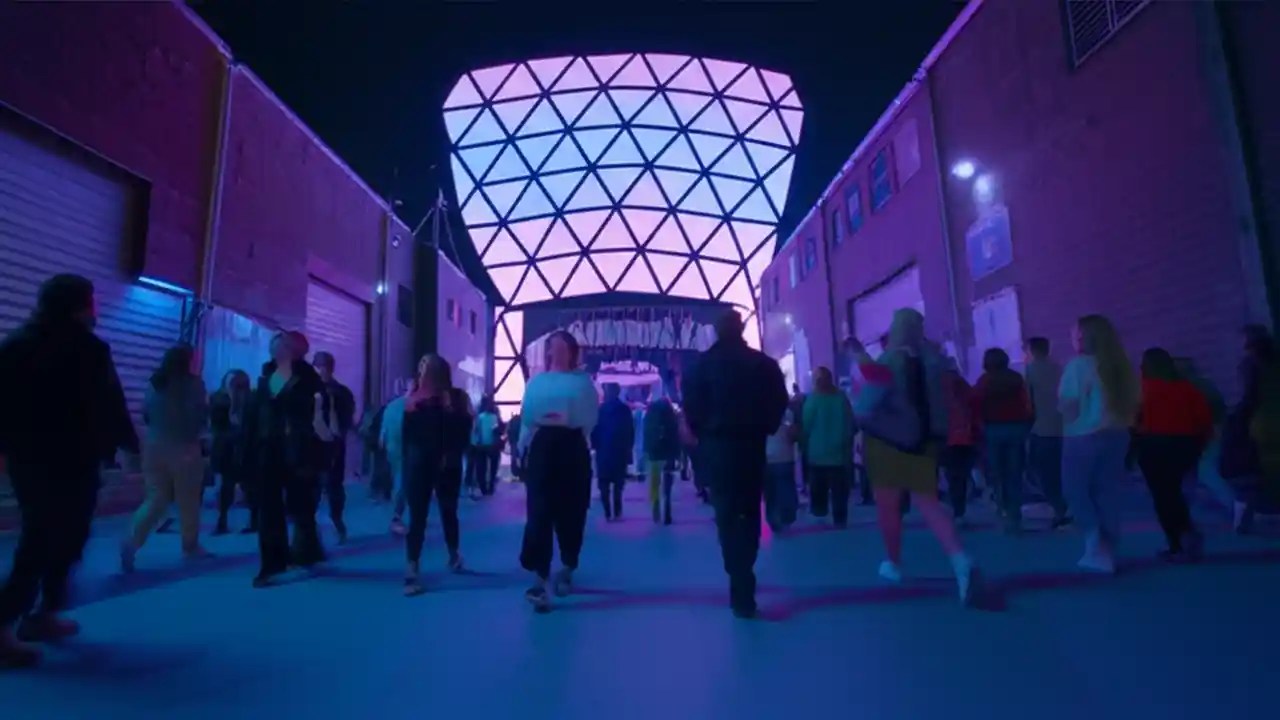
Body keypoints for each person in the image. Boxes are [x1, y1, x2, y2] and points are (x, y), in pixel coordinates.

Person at [0, 274, 139, 667]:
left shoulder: (16, 344)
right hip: (73, 458)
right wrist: (128, 447)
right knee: (53, 538)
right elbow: (109, 402)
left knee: (47, 534)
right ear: (81, 305)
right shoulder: (88, 348)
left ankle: (41, 615)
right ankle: (15, 619)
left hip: (31, 459)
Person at [852, 309, 979, 605]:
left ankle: (894, 564)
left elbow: (866, 405)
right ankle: (961, 560)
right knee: (929, 503)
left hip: (887, 444)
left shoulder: (888, 361)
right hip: (927, 443)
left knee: (889, 507)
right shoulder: (935, 361)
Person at [682, 310, 788, 618]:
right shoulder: (763, 364)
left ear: (716, 331)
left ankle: (737, 574)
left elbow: (691, 406)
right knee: (750, 508)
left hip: (717, 447)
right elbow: (778, 402)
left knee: (726, 511)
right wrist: (764, 426)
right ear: (741, 328)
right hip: (752, 445)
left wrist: (703, 432)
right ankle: (745, 571)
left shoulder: (700, 367)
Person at [517, 330, 598, 612]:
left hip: (571, 446)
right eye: (554, 348)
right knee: (539, 511)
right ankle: (539, 576)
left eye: (564, 348)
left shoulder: (583, 382)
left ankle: (567, 564)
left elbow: (589, 418)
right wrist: (521, 448)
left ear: (572, 352)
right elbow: (527, 416)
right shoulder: (537, 382)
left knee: (571, 511)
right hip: (543, 446)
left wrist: (569, 423)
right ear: (549, 352)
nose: (558, 353)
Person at [1058, 314, 1140, 575]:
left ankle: (1094, 542)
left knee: (1075, 490)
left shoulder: (1078, 366)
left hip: (1083, 435)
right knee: (1108, 491)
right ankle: (1108, 546)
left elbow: (1069, 407)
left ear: (1083, 337)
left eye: (1074, 334)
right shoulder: (1122, 366)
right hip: (1118, 434)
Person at [121, 345, 211, 570]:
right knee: (188, 500)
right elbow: (198, 415)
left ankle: (132, 541)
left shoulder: (154, 382)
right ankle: (190, 546)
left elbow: (146, 413)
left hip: (153, 445)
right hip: (185, 448)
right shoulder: (193, 384)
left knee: (155, 498)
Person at [248, 332, 326, 588]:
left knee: (301, 506)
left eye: (280, 345)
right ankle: (273, 562)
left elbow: (316, 416)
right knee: (270, 508)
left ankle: (305, 551)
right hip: (268, 449)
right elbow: (259, 411)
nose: (274, 348)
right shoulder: (268, 375)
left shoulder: (308, 379)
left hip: (299, 450)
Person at [402, 356, 473, 595]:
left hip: (430, 462)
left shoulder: (423, 399)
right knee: (437, 513)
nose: (422, 373)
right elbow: (462, 430)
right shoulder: (443, 399)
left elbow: (412, 436)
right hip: (436, 462)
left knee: (430, 514)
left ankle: (418, 565)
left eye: (424, 368)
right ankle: (436, 559)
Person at [1133, 348, 1212, 560]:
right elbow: (1204, 420)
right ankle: (1186, 535)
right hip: (1185, 445)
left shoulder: (1143, 389)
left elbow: (1133, 420)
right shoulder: (1188, 389)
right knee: (1174, 493)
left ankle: (1178, 541)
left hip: (1154, 445)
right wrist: (1198, 446)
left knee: (1163, 496)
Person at [973, 348, 1033, 534]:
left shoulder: (984, 381)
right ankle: (1015, 515)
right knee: (1015, 473)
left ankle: (1002, 509)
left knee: (997, 473)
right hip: (1016, 428)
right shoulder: (1016, 379)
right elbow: (1026, 403)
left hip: (992, 429)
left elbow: (975, 404)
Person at [1023, 337, 1072, 529]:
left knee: (1045, 473)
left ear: (1031, 350)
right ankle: (1065, 507)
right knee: (1061, 471)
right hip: (1063, 427)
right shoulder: (1060, 369)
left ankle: (1059, 509)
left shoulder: (1031, 371)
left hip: (1041, 428)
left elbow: (1027, 402)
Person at [311, 351, 356, 544]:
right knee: (318, 485)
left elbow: (347, 417)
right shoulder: (313, 391)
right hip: (317, 443)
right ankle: (319, 527)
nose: (321, 370)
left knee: (332, 485)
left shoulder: (339, 392)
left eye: (323, 367)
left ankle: (337, 523)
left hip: (331, 444)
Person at [802, 367, 855, 527]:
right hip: (839, 453)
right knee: (840, 490)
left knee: (818, 488)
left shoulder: (813, 400)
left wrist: (803, 444)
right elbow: (850, 422)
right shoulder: (841, 398)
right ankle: (840, 518)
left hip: (817, 453)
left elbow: (806, 425)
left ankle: (820, 514)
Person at [211, 369, 255, 535]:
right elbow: (217, 426)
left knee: (246, 486)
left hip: (241, 449)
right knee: (230, 487)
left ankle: (248, 520)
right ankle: (223, 520)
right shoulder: (220, 400)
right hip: (230, 450)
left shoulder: (248, 402)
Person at [939, 357, 978, 523]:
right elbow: (974, 401)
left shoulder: (935, 384)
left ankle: (954, 507)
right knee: (959, 474)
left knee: (951, 474)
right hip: (964, 434)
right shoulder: (960, 383)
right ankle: (959, 510)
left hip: (944, 434)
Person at [591, 382, 634, 521]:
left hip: (603, 451)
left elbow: (594, 430)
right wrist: (628, 449)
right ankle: (617, 510)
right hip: (620, 451)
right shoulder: (625, 410)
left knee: (603, 484)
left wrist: (595, 445)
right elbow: (629, 432)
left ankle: (607, 511)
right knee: (618, 484)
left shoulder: (600, 410)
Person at [643, 384, 682, 525]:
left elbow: (646, 434)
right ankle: (667, 508)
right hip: (668, 454)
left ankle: (655, 508)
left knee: (654, 483)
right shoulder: (671, 418)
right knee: (667, 484)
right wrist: (677, 455)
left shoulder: (650, 415)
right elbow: (677, 437)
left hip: (654, 454)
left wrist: (646, 451)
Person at [381, 377, 415, 535]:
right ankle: (396, 517)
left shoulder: (392, 406)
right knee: (403, 483)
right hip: (407, 450)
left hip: (392, 449)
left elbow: (383, 431)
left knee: (400, 480)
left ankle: (399, 515)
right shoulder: (416, 406)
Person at [764, 406, 800, 532]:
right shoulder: (787, 412)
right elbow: (793, 435)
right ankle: (787, 519)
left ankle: (773, 519)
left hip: (765, 458)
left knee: (770, 493)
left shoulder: (755, 411)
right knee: (785, 489)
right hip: (784, 456)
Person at [468, 395, 502, 498]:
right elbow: (496, 431)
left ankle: (483, 487)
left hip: (481, 445)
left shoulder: (479, 417)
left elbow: (476, 430)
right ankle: (490, 486)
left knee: (480, 467)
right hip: (492, 445)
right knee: (493, 467)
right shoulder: (494, 417)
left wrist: (475, 442)